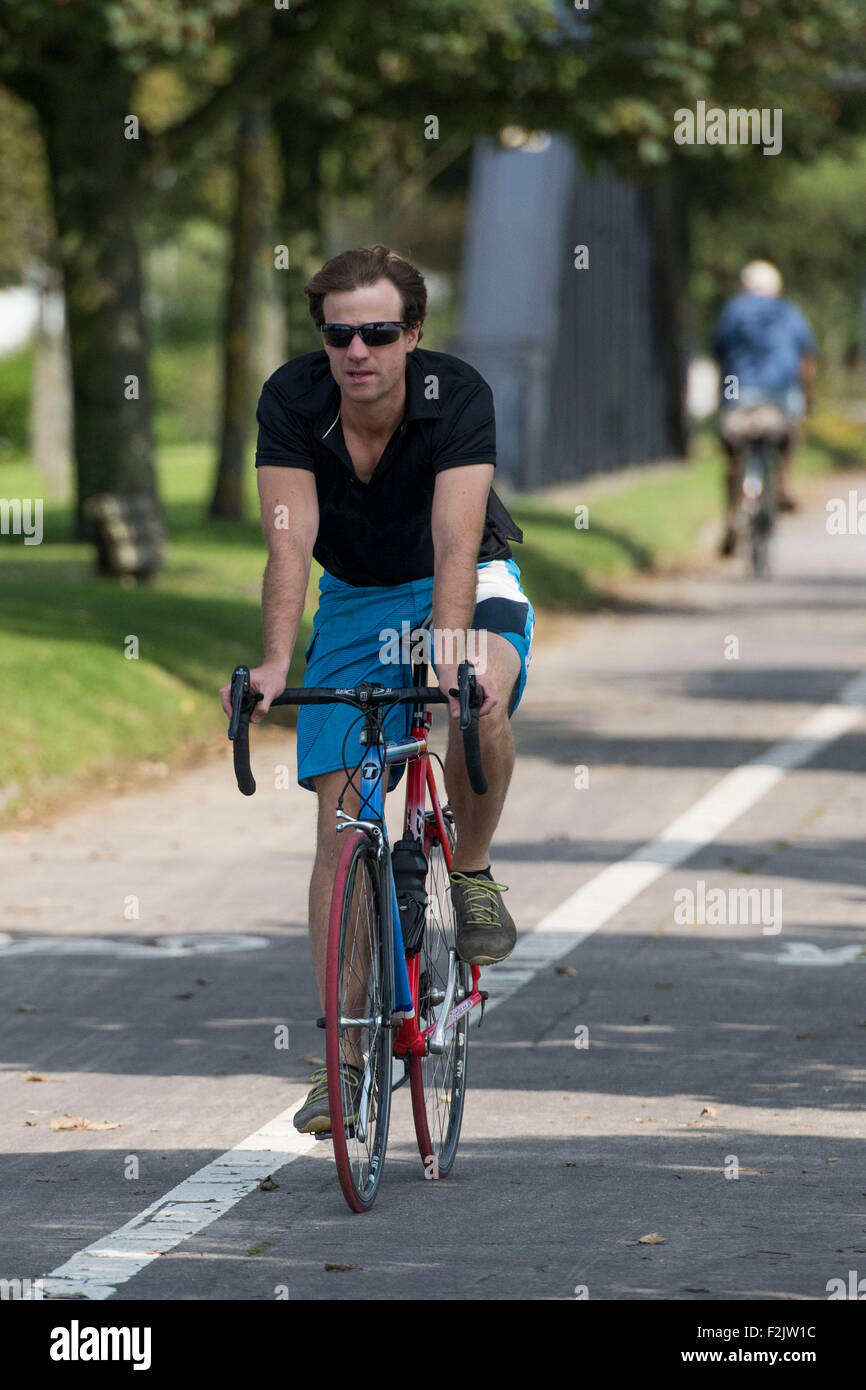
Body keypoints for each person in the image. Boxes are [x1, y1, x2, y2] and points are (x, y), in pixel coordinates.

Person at [219, 245, 535, 1134]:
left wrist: (447, 656)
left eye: (379, 332)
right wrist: (277, 666)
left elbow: (454, 541)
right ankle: (342, 1063)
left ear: (414, 335)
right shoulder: (292, 398)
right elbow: (289, 542)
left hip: (466, 574)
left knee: (480, 693)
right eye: (340, 334)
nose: (358, 351)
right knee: (343, 823)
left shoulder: (457, 395)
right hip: (355, 599)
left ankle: (469, 870)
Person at [713, 260, 817, 554]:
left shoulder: (732, 311)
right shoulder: (788, 312)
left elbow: (719, 353)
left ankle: (732, 514)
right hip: (779, 396)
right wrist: (807, 396)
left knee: (732, 457)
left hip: (738, 394)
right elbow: (805, 358)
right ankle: (783, 483)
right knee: (790, 432)